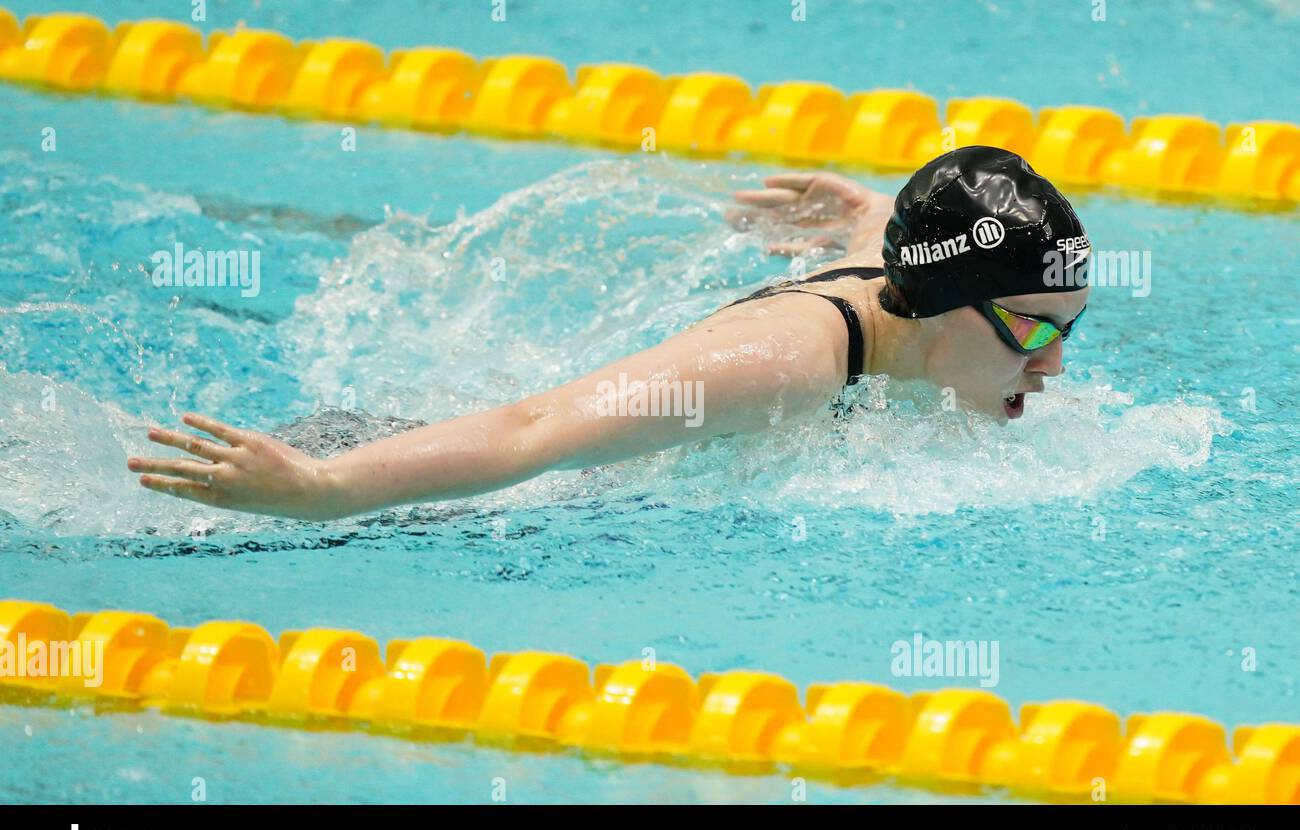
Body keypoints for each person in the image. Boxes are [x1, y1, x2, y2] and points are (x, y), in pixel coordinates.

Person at [127, 146, 1091, 521]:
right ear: (940, 301)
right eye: (1027, 329)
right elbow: (534, 431)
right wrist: (323, 489)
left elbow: (908, 246)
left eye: (1067, 331)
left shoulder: (907, 291)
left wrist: (863, 207)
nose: (1050, 364)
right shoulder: (785, 366)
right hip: (406, 469)